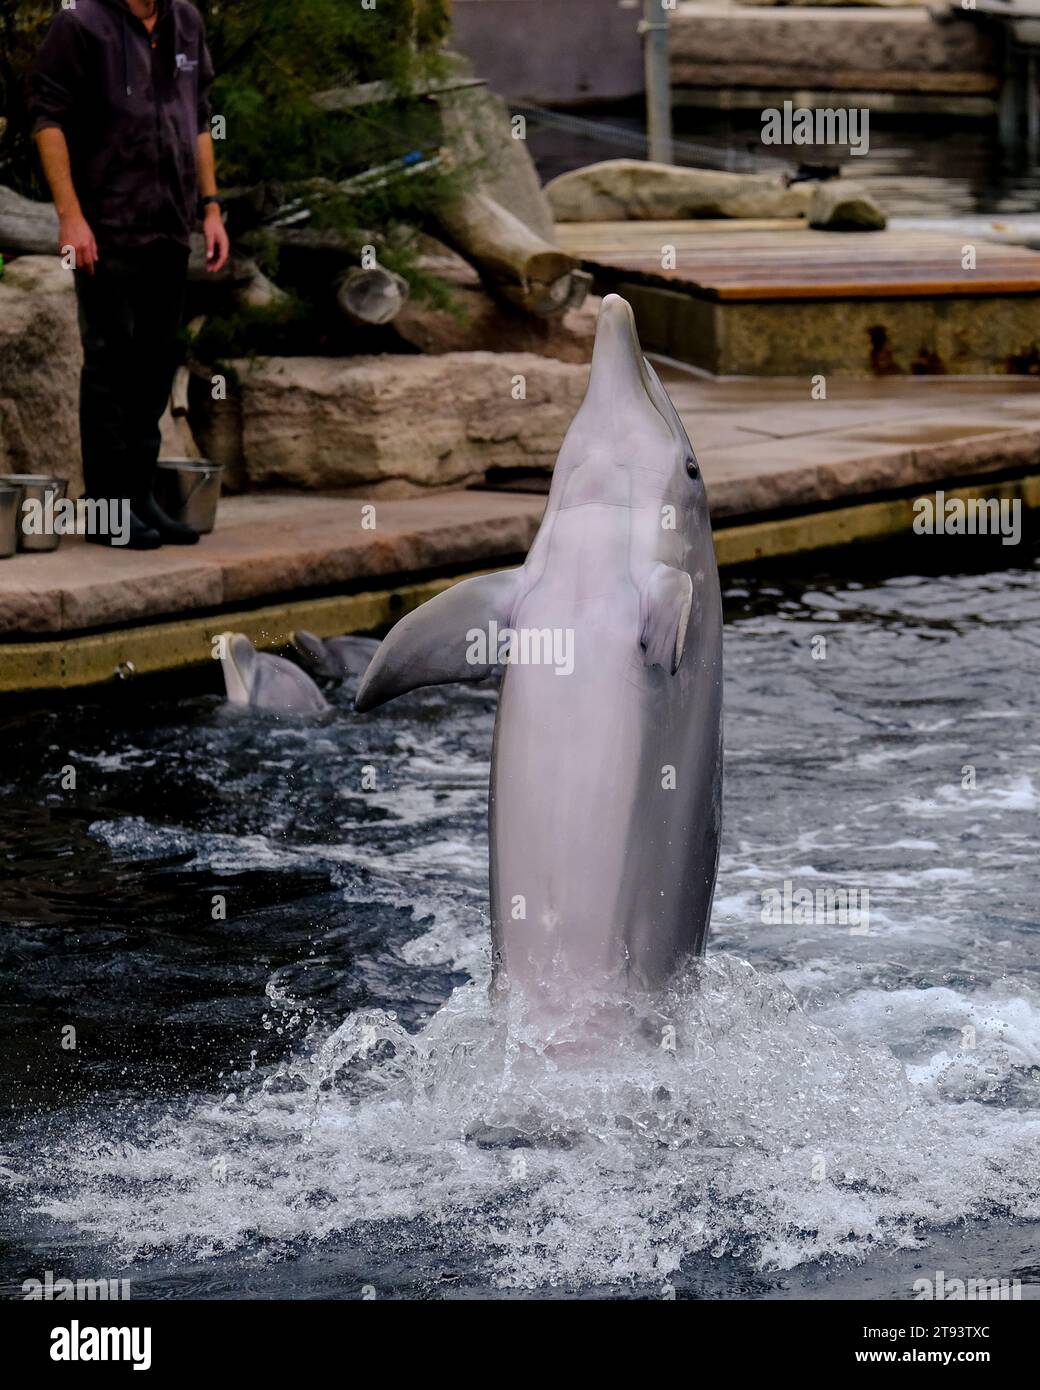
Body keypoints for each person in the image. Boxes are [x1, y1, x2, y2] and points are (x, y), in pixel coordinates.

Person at [31, 0, 230, 550]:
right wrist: (71, 218)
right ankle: (107, 512)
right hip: (106, 224)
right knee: (109, 368)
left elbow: (199, 117)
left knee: (153, 366)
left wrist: (210, 209)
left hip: (169, 226)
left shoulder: (184, 21)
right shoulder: (79, 23)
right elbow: (49, 121)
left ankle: (139, 498)